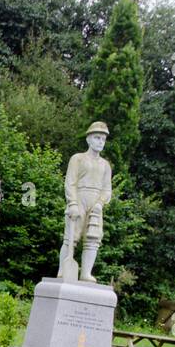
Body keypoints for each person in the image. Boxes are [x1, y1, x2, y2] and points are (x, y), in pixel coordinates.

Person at [61, 121, 112, 283]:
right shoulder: (77, 159)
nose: (100, 142)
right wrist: (73, 204)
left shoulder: (105, 165)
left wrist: (100, 203)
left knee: (93, 239)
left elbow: (107, 189)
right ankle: (63, 270)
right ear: (89, 139)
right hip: (79, 198)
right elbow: (70, 182)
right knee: (71, 238)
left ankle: (86, 273)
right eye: (97, 138)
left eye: (103, 139)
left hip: (96, 204)